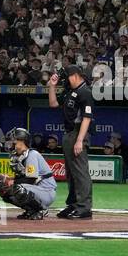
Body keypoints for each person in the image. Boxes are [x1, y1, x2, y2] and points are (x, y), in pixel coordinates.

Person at [47, 65, 93, 219]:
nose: (64, 80)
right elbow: (53, 104)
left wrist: (80, 140)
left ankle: (84, 207)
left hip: (78, 132)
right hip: (68, 133)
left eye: (65, 76)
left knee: (80, 172)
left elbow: (87, 117)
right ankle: (73, 205)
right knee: (71, 173)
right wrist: (52, 87)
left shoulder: (85, 91)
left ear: (74, 75)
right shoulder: (70, 92)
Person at [0, 127, 57, 220]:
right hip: (35, 189)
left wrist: (12, 181)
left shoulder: (32, 154)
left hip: (46, 191)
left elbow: (31, 179)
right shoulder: (17, 156)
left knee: (17, 188)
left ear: (22, 141)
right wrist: (8, 180)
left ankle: (41, 210)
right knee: (2, 189)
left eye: (14, 140)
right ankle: (30, 210)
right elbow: (22, 177)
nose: (11, 142)